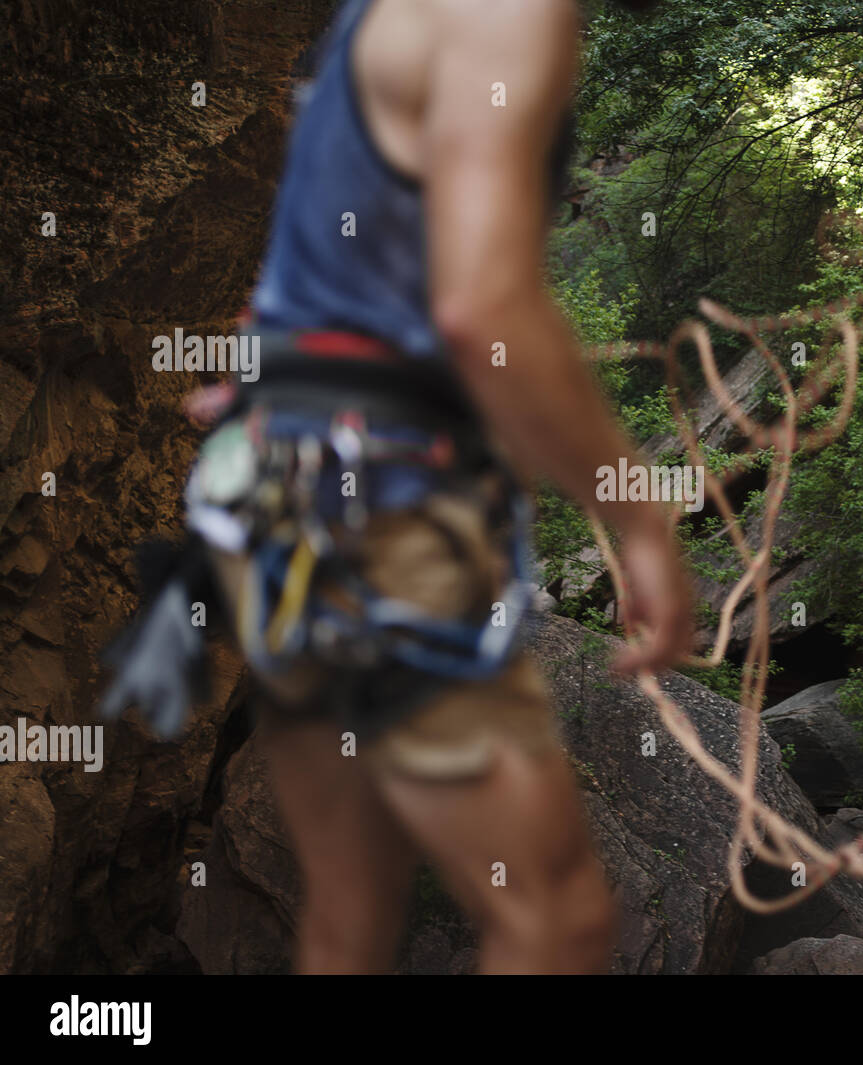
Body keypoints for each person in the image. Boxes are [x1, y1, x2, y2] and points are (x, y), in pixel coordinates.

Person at [101, 0, 692, 975]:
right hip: (375, 500)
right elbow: (480, 304)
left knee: (348, 920)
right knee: (556, 917)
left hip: (266, 487)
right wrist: (637, 519)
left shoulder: (372, 20)